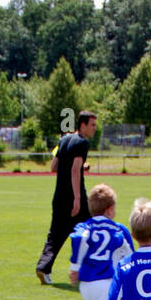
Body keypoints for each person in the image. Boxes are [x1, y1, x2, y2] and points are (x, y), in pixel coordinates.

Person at [35, 110, 98, 284]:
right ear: (83, 124)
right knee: (90, 231)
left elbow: (54, 166)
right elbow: (74, 169)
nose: (95, 129)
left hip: (59, 196)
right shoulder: (82, 143)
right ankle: (91, 271)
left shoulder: (64, 140)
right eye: (92, 125)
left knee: (55, 234)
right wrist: (77, 199)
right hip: (74, 197)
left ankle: (43, 267)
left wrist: (80, 167)